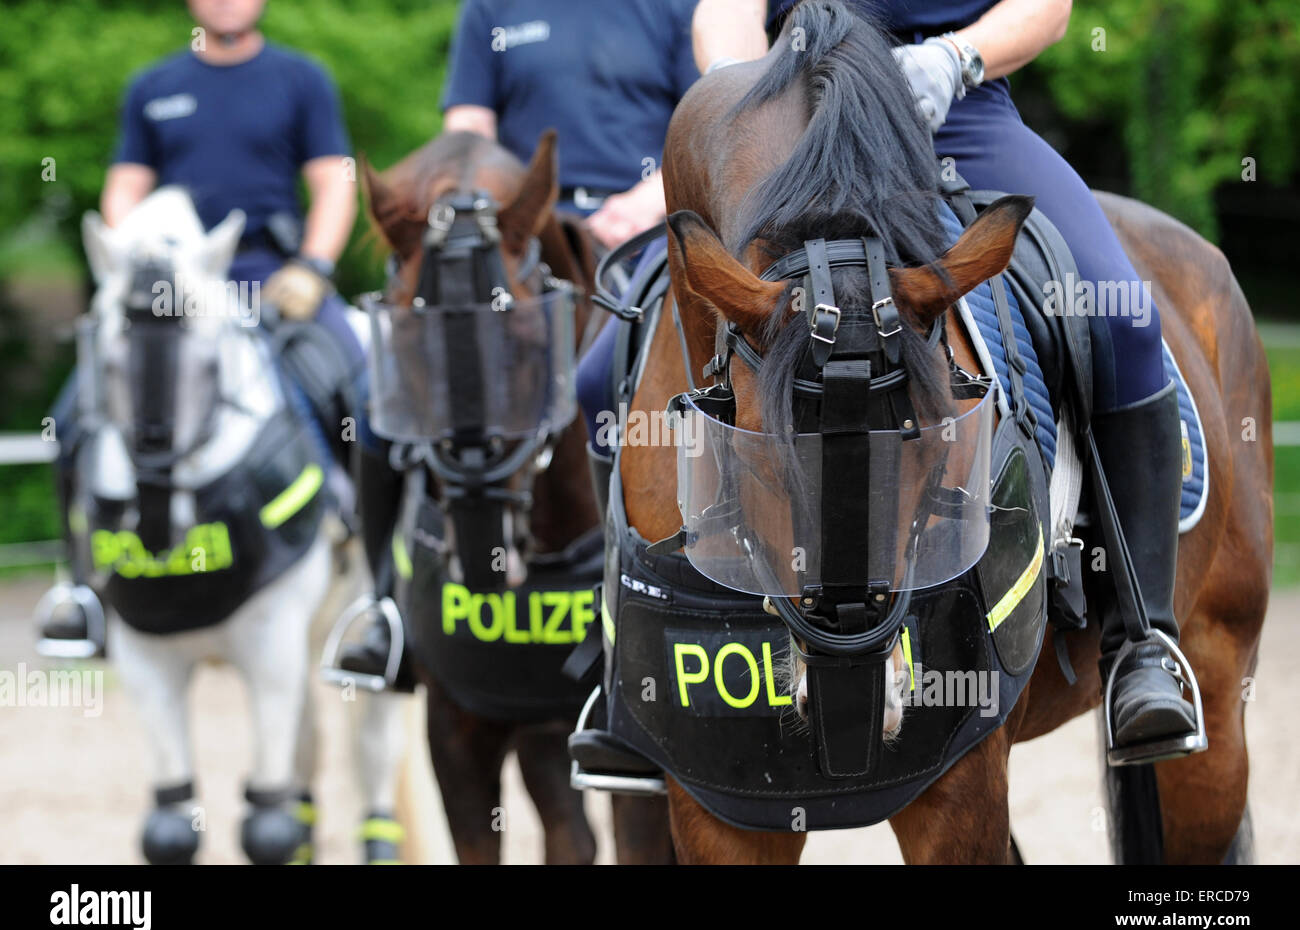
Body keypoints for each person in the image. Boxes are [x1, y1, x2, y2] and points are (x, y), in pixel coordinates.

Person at [579, 0, 1196, 764]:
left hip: (951, 111)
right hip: (783, 122)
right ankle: (623, 659)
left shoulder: (954, 76)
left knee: (1124, 321)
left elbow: (1047, 7)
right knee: (595, 375)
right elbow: (729, 12)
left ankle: (1142, 643)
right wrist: (741, 91)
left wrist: (955, 58)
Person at [335, 0, 701, 684]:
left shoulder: (674, 8)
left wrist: (642, 203)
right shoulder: (491, 9)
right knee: (382, 390)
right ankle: (385, 606)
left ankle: (688, 599)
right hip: (513, 240)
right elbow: (467, 134)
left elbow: (700, 120)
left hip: (638, 231)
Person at [38, 0, 373, 648]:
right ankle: (83, 589)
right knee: (74, 414)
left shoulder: (301, 78)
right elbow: (124, 190)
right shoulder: (154, 86)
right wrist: (126, 259)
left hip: (273, 280)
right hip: (171, 293)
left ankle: (375, 584)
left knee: (360, 391)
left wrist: (314, 264)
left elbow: (335, 183)